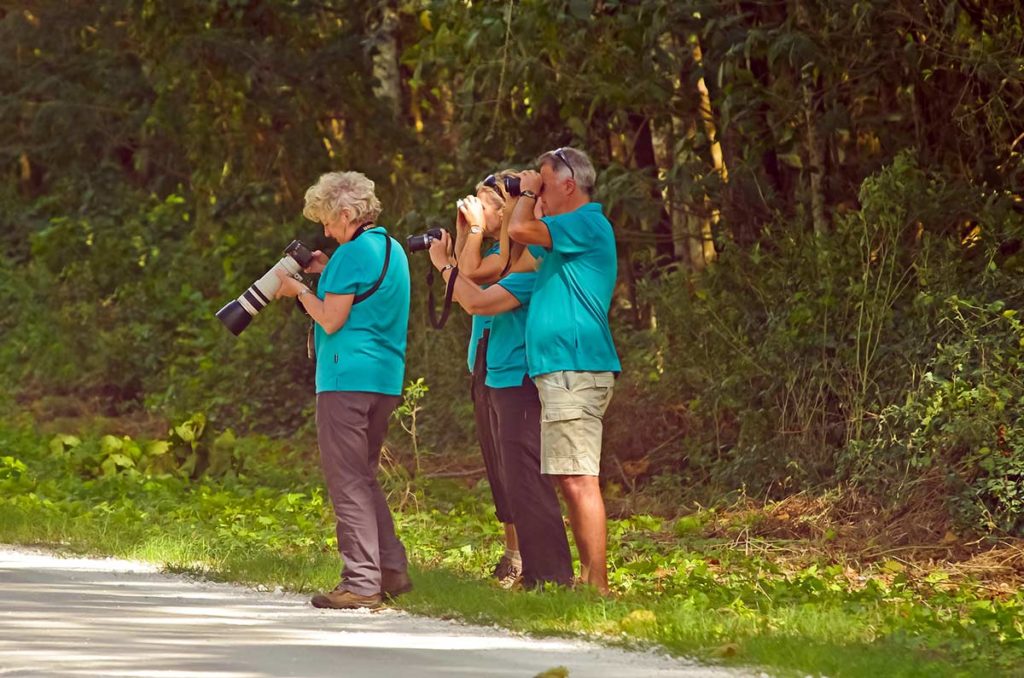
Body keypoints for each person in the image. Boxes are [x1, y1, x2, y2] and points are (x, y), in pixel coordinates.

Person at [274, 171, 412, 610]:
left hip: (344, 380)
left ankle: (361, 583)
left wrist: (298, 289)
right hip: (384, 380)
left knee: (348, 481)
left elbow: (331, 319)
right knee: (363, 477)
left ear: (348, 214)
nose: (326, 232)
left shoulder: (351, 254)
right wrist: (325, 270)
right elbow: (363, 295)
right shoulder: (392, 250)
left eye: (329, 222)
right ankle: (390, 569)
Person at [428, 185, 574, 590]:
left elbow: (474, 298)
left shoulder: (535, 270)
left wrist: (444, 265)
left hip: (521, 376)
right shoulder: (521, 268)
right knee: (517, 480)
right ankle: (539, 575)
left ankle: (550, 577)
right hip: (502, 374)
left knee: (528, 480)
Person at [507, 147, 620, 595]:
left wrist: (525, 196)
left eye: (546, 184)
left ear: (568, 185)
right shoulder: (563, 234)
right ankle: (590, 582)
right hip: (563, 371)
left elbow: (519, 228)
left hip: (575, 369)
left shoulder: (586, 222)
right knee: (570, 476)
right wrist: (525, 197)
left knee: (577, 478)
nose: (540, 193)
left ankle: (597, 585)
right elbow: (514, 253)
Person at [452, 175, 522, 587]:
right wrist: (467, 234)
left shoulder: (513, 256)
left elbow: (469, 277)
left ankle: (522, 556)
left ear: (504, 209)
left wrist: (472, 234)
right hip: (483, 363)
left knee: (514, 468)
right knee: (497, 468)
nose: (477, 211)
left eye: (484, 205)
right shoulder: (492, 250)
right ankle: (511, 553)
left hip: (507, 365)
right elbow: (466, 276)